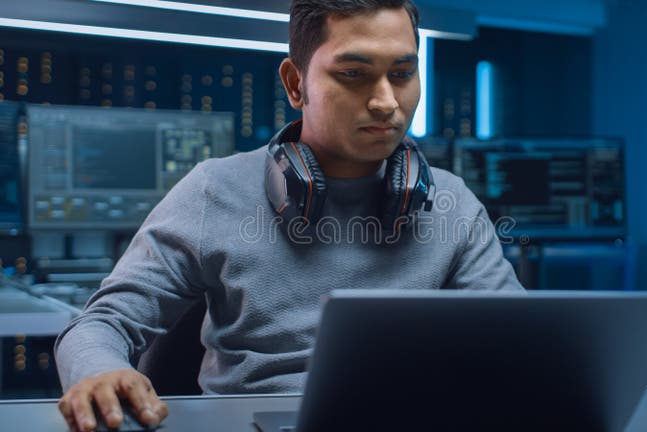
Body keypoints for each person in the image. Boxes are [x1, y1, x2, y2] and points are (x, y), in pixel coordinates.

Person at [55, 0, 525, 430]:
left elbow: (523, 345)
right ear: (296, 83)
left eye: (402, 74)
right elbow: (101, 323)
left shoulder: (453, 203)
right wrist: (101, 371)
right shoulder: (213, 189)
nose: (386, 102)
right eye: (354, 74)